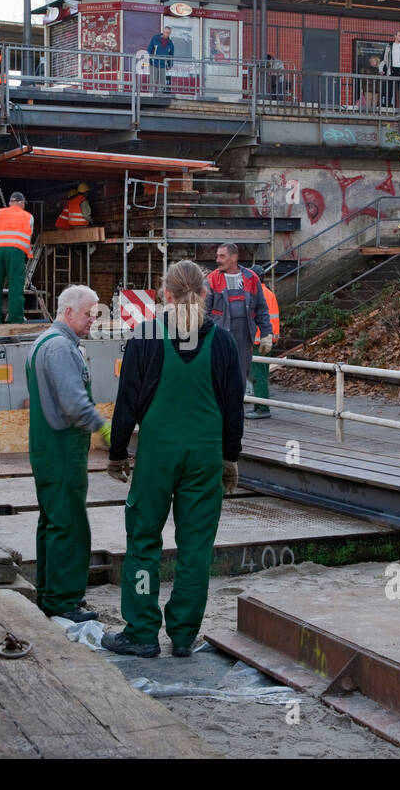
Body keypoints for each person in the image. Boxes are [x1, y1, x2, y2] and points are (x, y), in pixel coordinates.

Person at [102, 260, 245, 657]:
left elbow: (127, 402)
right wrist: (230, 457)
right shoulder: (224, 343)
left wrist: (117, 454)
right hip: (204, 458)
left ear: (165, 293)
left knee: (144, 541)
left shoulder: (145, 336)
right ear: (205, 293)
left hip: (157, 458)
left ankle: (143, 632)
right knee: (196, 547)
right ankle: (183, 634)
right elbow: (234, 407)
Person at [26, 285, 112, 623]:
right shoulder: (61, 348)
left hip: (48, 448)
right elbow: (74, 403)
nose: (94, 319)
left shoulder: (44, 342)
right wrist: (102, 427)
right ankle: (63, 602)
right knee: (69, 524)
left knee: (52, 520)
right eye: (89, 313)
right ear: (69, 313)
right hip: (62, 450)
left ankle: (48, 593)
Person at [206, 242, 273, 386]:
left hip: (244, 339)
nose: (217, 260)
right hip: (219, 338)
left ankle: (236, 407)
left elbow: (261, 308)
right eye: (217, 256)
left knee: (240, 378)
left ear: (234, 257)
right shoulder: (212, 280)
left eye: (222, 256)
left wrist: (266, 334)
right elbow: (204, 312)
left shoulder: (251, 278)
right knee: (219, 380)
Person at [0, 192, 33, 323]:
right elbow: (29, 234)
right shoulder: (28, 216)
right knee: (15, 286)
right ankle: (15, 319)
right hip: (16, 252)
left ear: (10, 203)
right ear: (21, 202)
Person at [246, 265, 280, 419]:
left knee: (257, 376)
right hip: (268, 340)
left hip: (258, 341)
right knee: (262, 375)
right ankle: (261, 405)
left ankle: (262, 408)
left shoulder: (256, 295)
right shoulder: (270, 294)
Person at [146, 26, 174, 94]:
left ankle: (159, 95)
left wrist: (170, 64)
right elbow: (149, 50)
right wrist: (149, 61)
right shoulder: (155, 38)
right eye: (166, 32)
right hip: (154, 63)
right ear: (163, 32)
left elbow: (171, 55)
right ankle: (151, 95)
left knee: (162, 82)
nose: (167, 34)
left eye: (169, 33)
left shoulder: (170, 43)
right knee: (153, 81)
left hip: (163, 65)